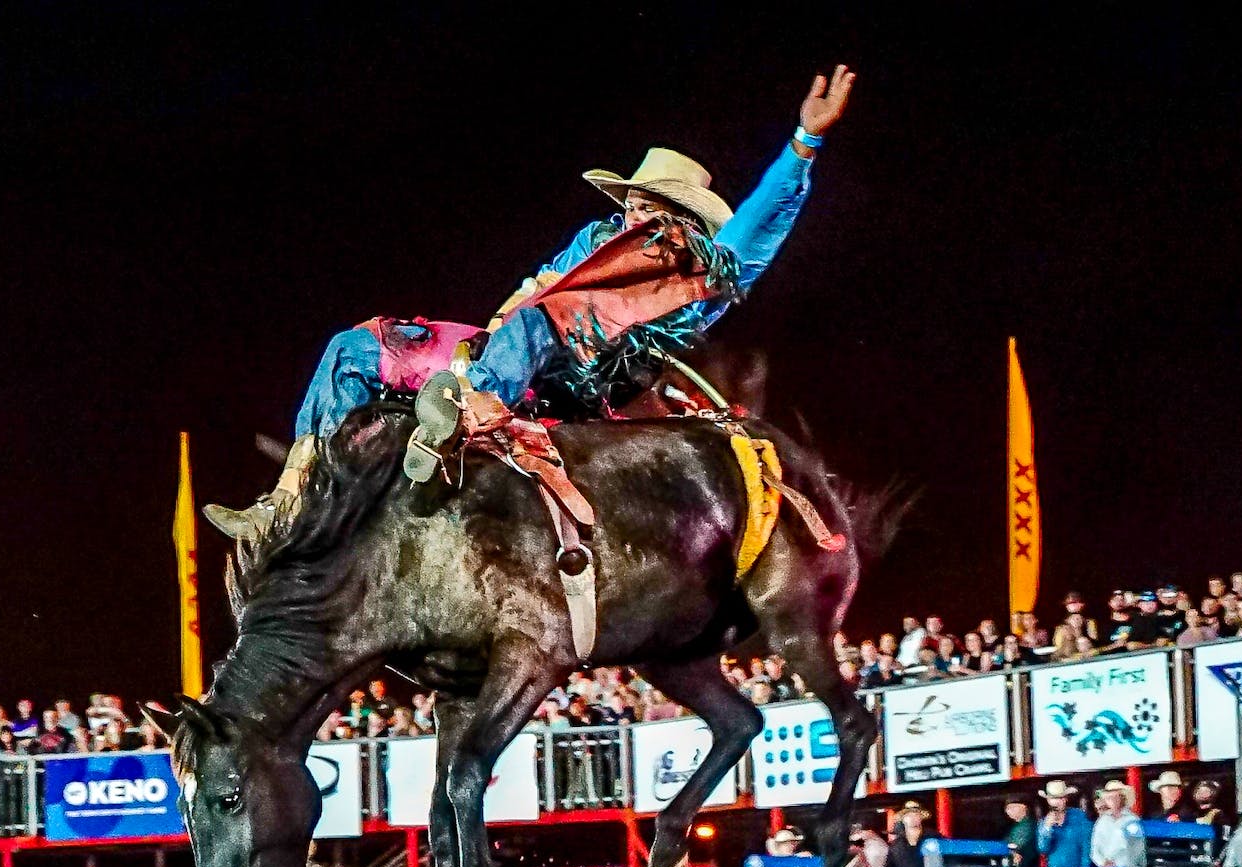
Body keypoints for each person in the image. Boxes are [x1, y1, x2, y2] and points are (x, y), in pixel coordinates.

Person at [207, 67, 857, 536]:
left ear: (677, 220)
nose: (634, 214)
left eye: (649, 206)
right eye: (633, 202)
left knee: (543, 321)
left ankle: (461, 415)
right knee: (358, 346)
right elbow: (537, 284)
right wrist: (488, 333)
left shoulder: (695, 277)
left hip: (590, 377)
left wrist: (804, 143)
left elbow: (758, 227)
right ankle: (298, 497)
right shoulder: (594, 243)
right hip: (514, 348)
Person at [1035, 781, 1092, 867]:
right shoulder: (1044, 822)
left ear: (1066, 799)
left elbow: (1086, 845)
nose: (1057, 802)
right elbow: (1043, 849)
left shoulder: (1079, 816)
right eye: (1053, 798)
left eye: (1061, 798)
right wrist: (1047, 828)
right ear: (1048, 800)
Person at [1089, 781, 1142, 867]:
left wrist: (1117, 865)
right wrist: (1103, 864)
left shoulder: (1133, 820)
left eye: (1115, 797)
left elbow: (1137, 849)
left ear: (1122, 798)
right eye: (1108, 797)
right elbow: (1095, 849)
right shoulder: (1101, 821)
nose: (1111, 800)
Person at [886, 800, 932, 867]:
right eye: (908, 815)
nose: (912, 817)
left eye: (916, 814)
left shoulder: (932, 837)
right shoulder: (896, 845)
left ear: (921, 817)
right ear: (903, 819)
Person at [1002, 797, 1039, 867]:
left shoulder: (1027, 825)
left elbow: (1016, 847)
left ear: (1024, 807)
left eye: (1012, 807)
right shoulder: (1016, 826)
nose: (1008, 811)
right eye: (1007, 808)